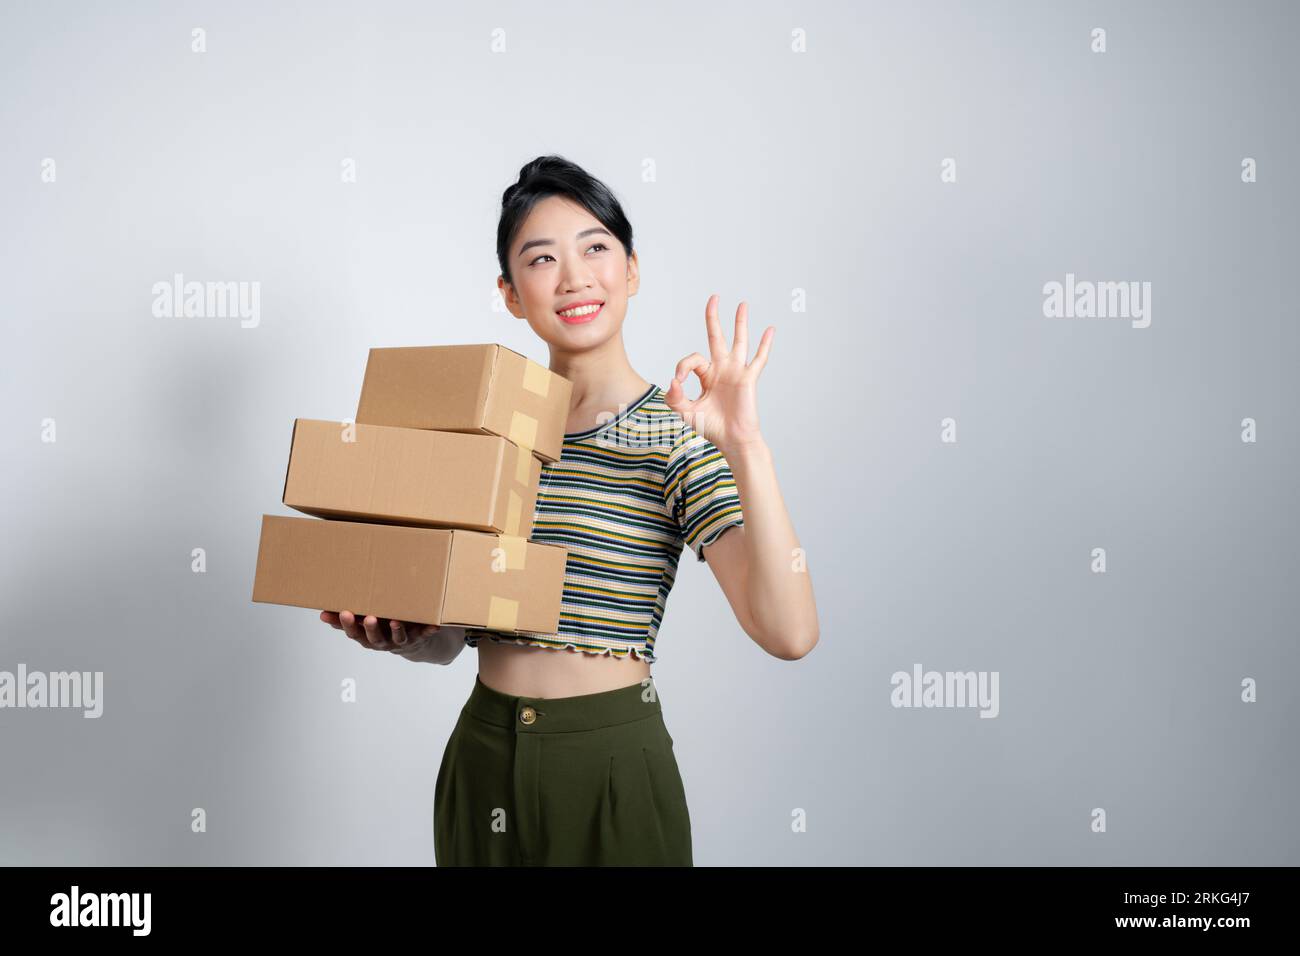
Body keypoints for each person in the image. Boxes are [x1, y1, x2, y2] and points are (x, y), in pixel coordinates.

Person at [320, 154, 819, 866]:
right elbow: (455, 633)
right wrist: (398, 633)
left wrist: (745, 444)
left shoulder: (675, 436)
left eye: (595, 248)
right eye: (541, 258)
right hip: (482, 758)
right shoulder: (492, 431)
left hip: (609, 765)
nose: (575, 276)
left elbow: (790, 631)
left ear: (632, 270)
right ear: (511, 294)